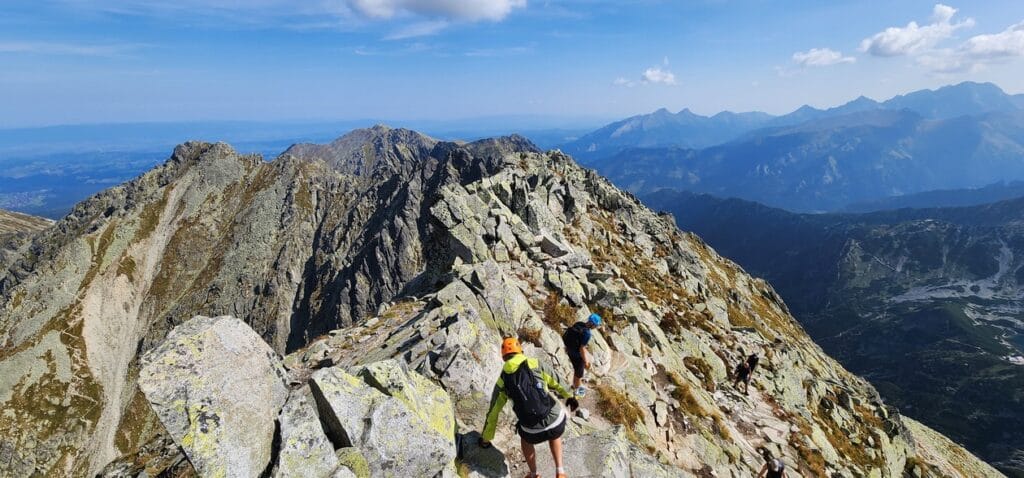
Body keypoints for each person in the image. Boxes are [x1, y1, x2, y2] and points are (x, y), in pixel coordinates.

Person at [481, 338, 579, 478]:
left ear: (504, 357)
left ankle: (533, 474)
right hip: (556, 423)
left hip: (532, 430)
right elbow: (558, 381)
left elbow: (493, 412)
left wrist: (486, 438)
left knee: (525, 439)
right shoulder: (534, 363)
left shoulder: (503, 379)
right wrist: (570, 396)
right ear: (520, 350)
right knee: (554, 430)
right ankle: (560, 471)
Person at [561, 313, 601, 397]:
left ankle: (576, 386)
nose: (596, 327)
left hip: (567, 346)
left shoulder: (578, 323)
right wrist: (586, 362)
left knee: (585, 357)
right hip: (574, 353)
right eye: (596, 325)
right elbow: (582, 349)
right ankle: (577, 391)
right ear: (592, 324)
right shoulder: (587, 334)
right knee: (579, 371)